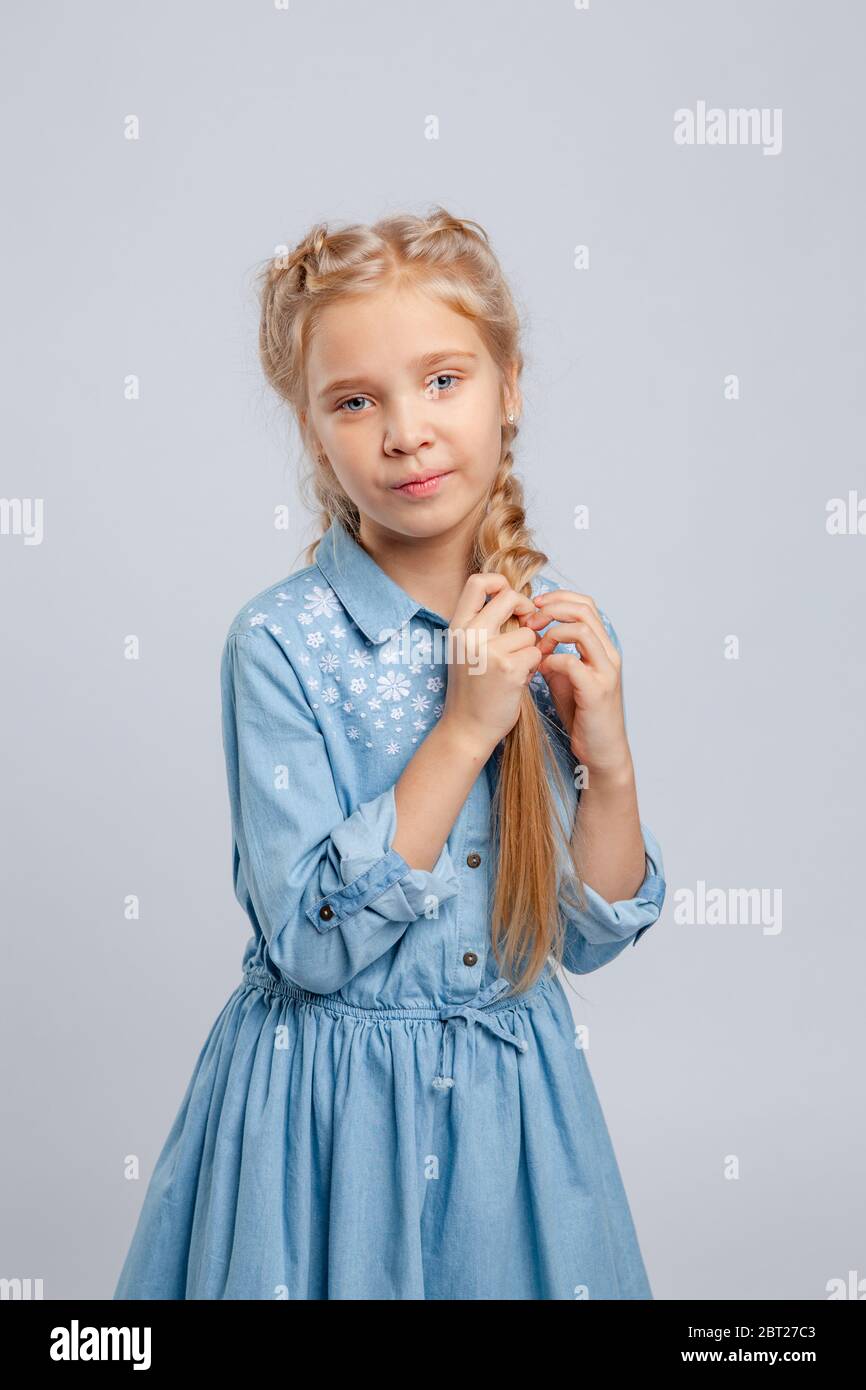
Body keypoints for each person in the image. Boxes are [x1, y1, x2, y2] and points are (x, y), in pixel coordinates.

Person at [113, 206, 666, 1301]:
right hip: (322, 1114)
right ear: (311, 430)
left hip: (511, 1115)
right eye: (354, 401)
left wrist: (603, 742)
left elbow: (591, 934)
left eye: (444, 381)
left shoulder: (544, 621)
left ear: (512, 386)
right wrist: (466, 726)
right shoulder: (278, 641)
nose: (404, 431)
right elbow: (311, 946)